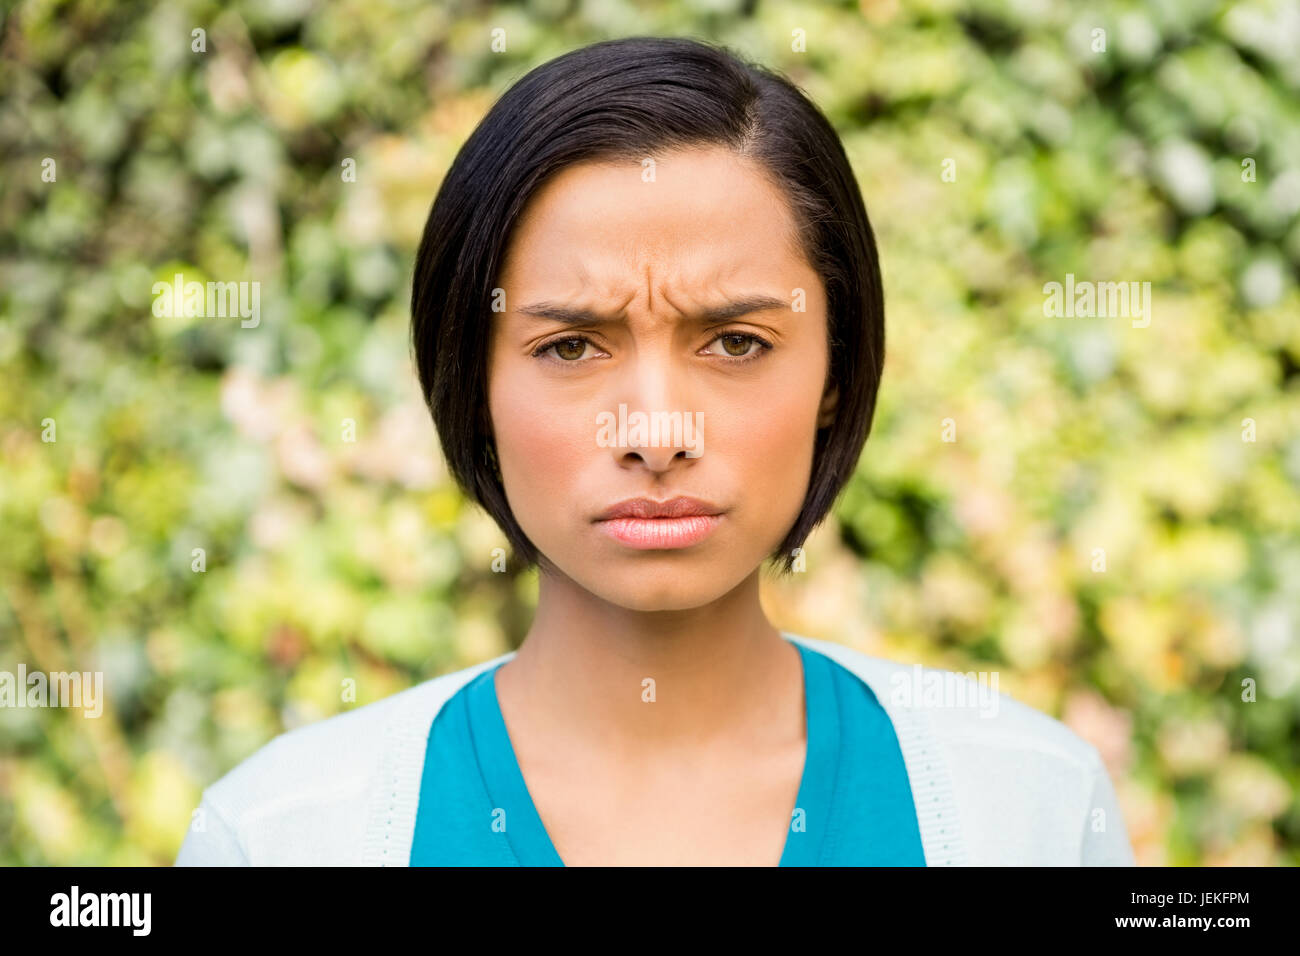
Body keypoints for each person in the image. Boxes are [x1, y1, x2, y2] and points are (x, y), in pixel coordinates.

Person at [176, 36, 1134, 866]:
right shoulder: (284, 834)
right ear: (475, 390)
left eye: (737, 343)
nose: (656, 435)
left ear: (836, 373)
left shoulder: (1028, 807)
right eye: (570, 348)